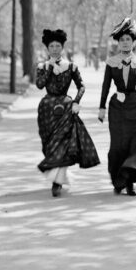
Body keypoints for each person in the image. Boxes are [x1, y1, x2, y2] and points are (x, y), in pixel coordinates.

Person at [36, 28, 100, 197]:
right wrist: (49, 68)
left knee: (63, 143)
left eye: (58, 45)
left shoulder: (71, 66)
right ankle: (58, 175)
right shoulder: (42, 66)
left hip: (65, 108)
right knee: (48, 144)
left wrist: (76, 102)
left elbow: (82, 86)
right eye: (52, 46)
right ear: (47, 48)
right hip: (46, 109)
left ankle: (56, 183)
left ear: (62, 47)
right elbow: (40, 85)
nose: (55, 48)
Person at [97, 17, 136, 196]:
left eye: (128, 40)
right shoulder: (111, 62)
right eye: (122, 40)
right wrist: (102, 107)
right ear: (118, 42)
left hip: (135, 106)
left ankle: (130, 182)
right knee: (117, 145)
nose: (125, 42)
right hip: (117, 108)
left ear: (133, 42)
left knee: (133, 145)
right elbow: (106, 86)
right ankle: (117, 180)